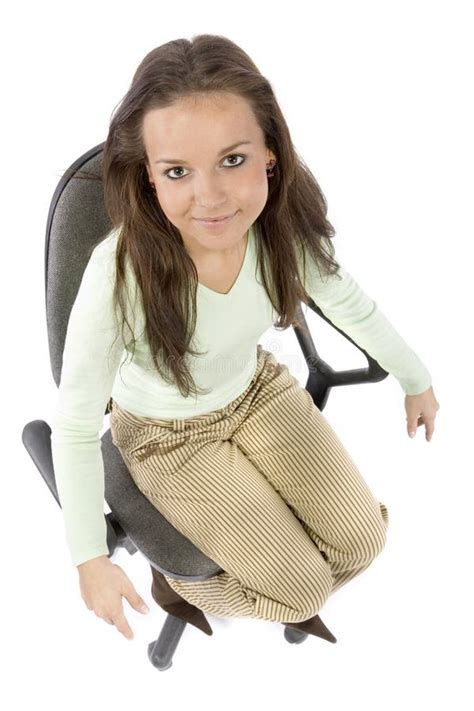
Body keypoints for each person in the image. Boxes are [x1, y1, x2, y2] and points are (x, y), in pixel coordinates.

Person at [51, 34, 440, 643]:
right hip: (166, 437)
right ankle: (180, 584)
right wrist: (89, 560)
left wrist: (417, 379)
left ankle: (280, 563)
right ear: (150, 179)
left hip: (255, 390)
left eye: (232, 160)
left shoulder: (278, 230)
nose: (210, 197)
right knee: (305, 588)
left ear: (270, 155)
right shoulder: (119, 271)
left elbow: (348, 301)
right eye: (178, 171)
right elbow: (75, 424)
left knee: (364, 543)